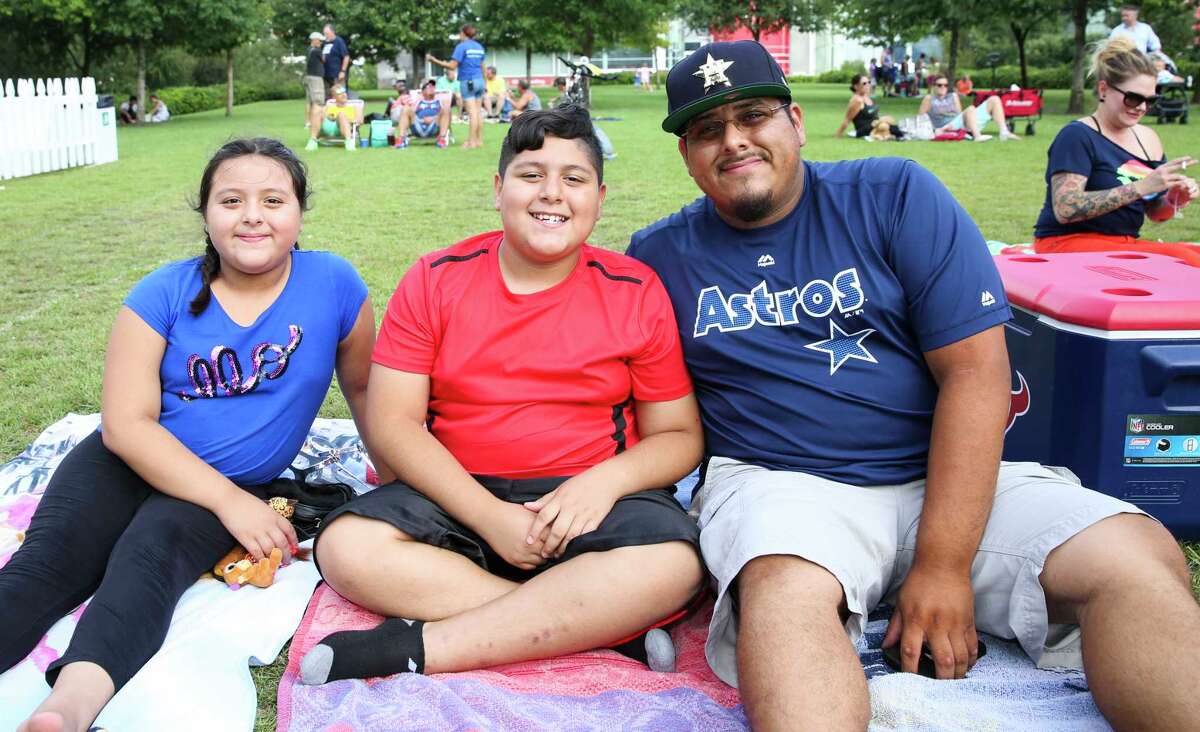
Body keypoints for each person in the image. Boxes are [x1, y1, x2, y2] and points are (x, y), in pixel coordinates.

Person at [628, 40, 1200, 732]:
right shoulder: (658, 257)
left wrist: (942, 565)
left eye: (754, 116)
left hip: (943, 475)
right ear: (686, 155)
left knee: (1136, 559)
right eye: (706, 131)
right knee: (781, 589)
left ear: (797, 123)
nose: (734, 141)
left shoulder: (894, 194)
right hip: (788, 487)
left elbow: (976, 374)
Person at [297, 105, 704, 686]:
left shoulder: (634, 289)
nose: (552, 194)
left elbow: (679, 437)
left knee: (675, 565)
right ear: (498, 189)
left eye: (574, 178)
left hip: (588, 501)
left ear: (599, 197)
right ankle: (597, 628)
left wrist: (601, 483)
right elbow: (393, 423)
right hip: (458, 494)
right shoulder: (436, 278)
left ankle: (419, 647)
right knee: (345, 547)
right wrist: (490, 518)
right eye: (532, 174)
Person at [0, 137, 384, 732]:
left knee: (147, 561)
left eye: (273, 199)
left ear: (299, 211)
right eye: (231, 200)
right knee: (47, 565)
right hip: (125, 464)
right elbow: (126, 426)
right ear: (206, 213)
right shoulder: (162, 293)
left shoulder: (333, 284)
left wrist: (392, 470)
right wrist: (233, 504)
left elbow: (363, 390)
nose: (252, 214)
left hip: (223, 482)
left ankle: (63, 712)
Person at [1033, 37, 1200, 266]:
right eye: (1133, 98)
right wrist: (1142, 186)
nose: (1141, 107)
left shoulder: (1148, 139)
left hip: (1123, 244)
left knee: (1191, 255)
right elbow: (1066, 208)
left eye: (1150, 100)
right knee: (1185, 262)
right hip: (1066, 243)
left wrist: (1172, 199)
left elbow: (1155, 212)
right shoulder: (1077, 135)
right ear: (1104, 89)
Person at [427, 24, 485, 149]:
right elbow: (483, 66)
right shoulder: (479, 47)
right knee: (478, 112)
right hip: (479, 80)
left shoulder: (462, 47)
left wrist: (433, 60)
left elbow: (452, 66)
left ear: (464, 33)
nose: (459, 35)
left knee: (472, 112)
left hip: (468, 81)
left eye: (460, 33)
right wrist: (484, 83)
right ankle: (479, 141)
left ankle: (471, 142)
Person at [919, 75, 1019, 141]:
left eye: (946, 85)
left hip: (959, 123)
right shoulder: (929, 99)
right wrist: (935, 130)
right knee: (970, 108)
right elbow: (921, 119)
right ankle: (977, 136)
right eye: (940, 85)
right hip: (946, 127)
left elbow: (959, 113)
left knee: (994, 99)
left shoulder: (953, 96)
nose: (943, 87)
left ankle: (1004, 132)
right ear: (934, 86)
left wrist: (965, 120)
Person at [394, 79, 451, 149]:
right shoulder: (417, 102)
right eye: (428, 86)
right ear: (423, 91)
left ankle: (442, 139)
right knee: (406, 108)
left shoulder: (440, 102)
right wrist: (422, 120)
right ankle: (401, 139)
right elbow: (411, 113)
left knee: (446, 109)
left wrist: (433, 118)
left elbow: (447, 116)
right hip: (418, 125)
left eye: (433, 86)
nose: (432, 88)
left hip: (434, 125)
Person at [835, 74, 888, 138]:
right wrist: (839, 133)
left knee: (888, 120)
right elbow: (847, 119)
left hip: (877, 125)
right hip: (864, 130)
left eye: (869, 82)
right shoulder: (857, 100)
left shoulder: (866, 97)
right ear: (856, 86)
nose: (868, 85)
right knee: (884, 125)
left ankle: (886, 135)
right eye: (864, 83)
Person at [306, 85, 357, 152]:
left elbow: (359, 121)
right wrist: (328, 116)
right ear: (334, 97)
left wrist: (344, 119)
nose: (343, 95)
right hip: (327, 127)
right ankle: (312, 140)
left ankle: (348, 141)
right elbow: (322, 117)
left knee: (341, 114)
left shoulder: (353, 107)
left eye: (344, 93)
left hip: (341, 128)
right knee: (317, 110)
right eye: (340, 94)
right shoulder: (329, 107)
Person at [321, 24, 350, 99]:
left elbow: (346, 57)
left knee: (339, 95)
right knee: (327, 97)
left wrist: (343, 71)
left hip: (337, 75)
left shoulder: (339, 41)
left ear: (333, 32)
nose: (325, 35)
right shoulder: (325, 43)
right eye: (324, 34)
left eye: (327, 33)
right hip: (326, 75)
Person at [304, 32, 326, 128]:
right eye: (320, 41)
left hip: (308, 77)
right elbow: (324, 60)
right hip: (316, 78)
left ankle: (307, 122)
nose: (321, 43)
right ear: (315, 40)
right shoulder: (317, 50)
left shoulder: (309, 50)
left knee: (309, 101)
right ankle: (315, 121)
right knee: (318, 101)